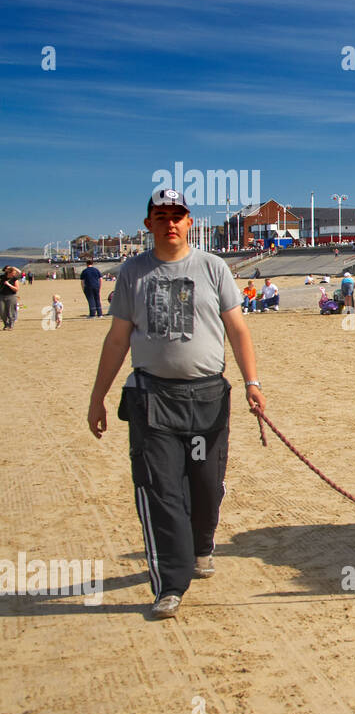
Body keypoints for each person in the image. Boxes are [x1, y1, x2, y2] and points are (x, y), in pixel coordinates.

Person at [87, 187, 266, 620]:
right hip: (152, 399)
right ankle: (170, 582)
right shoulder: (132, 273)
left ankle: (202, 545)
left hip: (207, 397)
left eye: (178, 215)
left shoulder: (213, 267)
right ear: (148, 224)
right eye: (161, 215)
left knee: (206, 487)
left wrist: (252, 383)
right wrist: (98, 398)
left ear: (190, 222)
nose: (170, 222)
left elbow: (237, 330)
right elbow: (117, 339)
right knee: (161, 491)